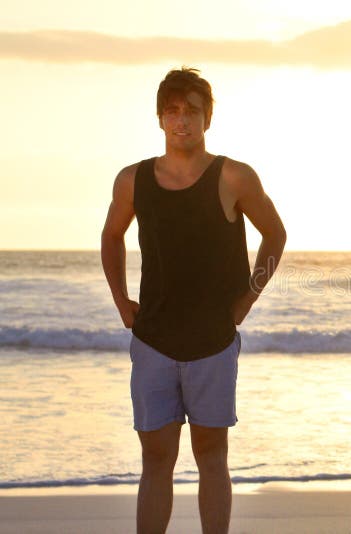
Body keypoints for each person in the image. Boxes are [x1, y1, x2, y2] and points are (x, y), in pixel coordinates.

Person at [101, 67, 286, 534]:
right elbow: (111, 236)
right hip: (154, 341)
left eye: (192, 112)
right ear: (161, 118)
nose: (182, 121)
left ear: (208, 118)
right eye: (173, 111)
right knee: (156, 458)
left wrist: (248, 298)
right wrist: (122, 301)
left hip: (213, 344)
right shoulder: (133, 180)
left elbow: (275, 234)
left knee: (211, 455)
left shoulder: (234, 177)